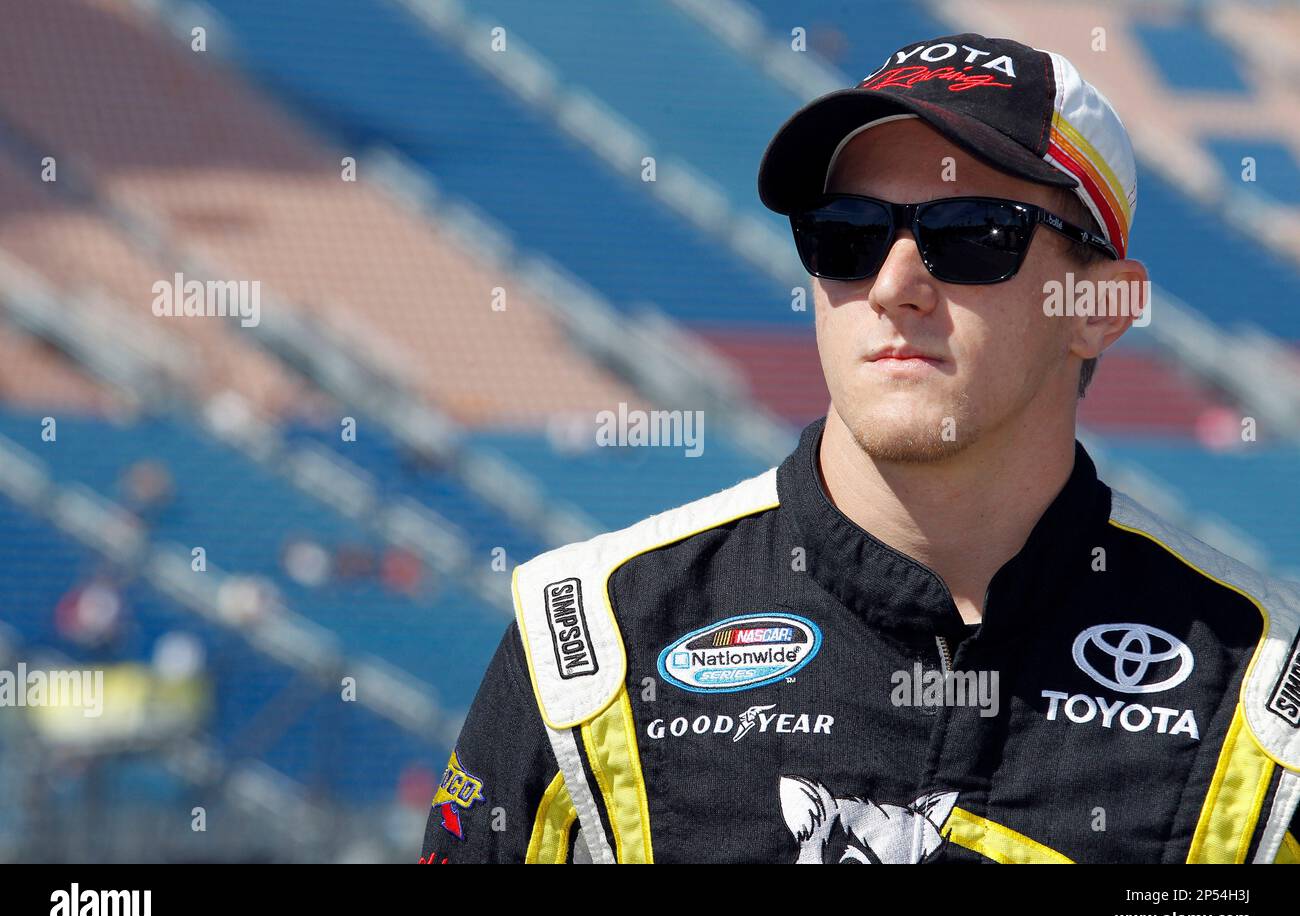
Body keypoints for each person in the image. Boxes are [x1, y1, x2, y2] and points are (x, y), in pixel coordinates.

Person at [421, 32, 1300, 864]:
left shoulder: (1266, 698)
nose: (892, 285)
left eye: (972, 234)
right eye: (846, 232)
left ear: (1101, 309)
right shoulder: (591, 641)